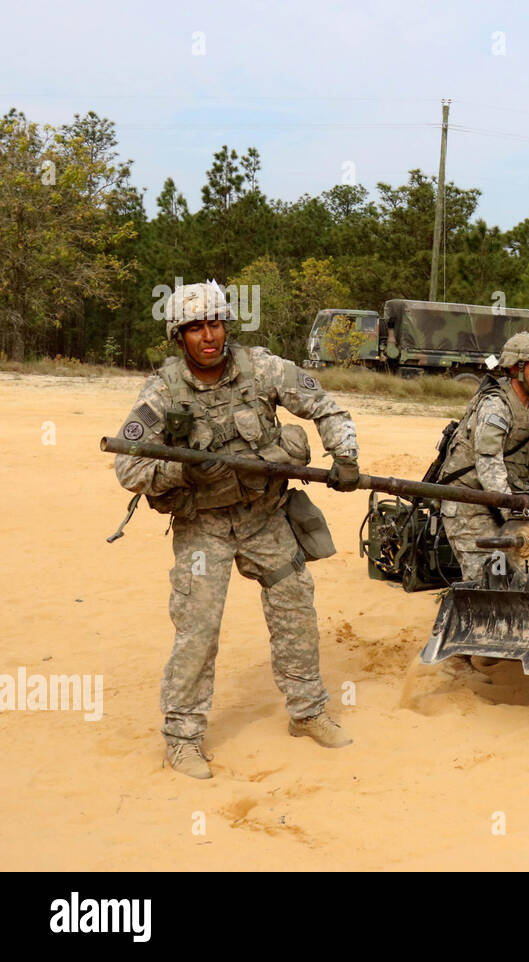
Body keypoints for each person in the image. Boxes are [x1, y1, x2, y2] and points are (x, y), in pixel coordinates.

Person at [114, 281, 359, 779]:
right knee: (198, 628)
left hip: (265, 516)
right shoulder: (162, 393)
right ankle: (183, 736)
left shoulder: (262, 369)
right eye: (196, 328)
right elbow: (128, 469)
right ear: (178, 336)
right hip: (203, 526)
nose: (209, 335)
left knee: (295, 610)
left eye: (216, 324)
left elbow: (325, 405)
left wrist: (345, 455)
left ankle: (307, 711)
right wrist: (183, 471)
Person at [434, 332, 529, 581]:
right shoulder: (496, 405)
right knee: (487, 575)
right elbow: (489, 465)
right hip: (469, 502)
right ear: (516, 369)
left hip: (505, 502)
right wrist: (514, 517)